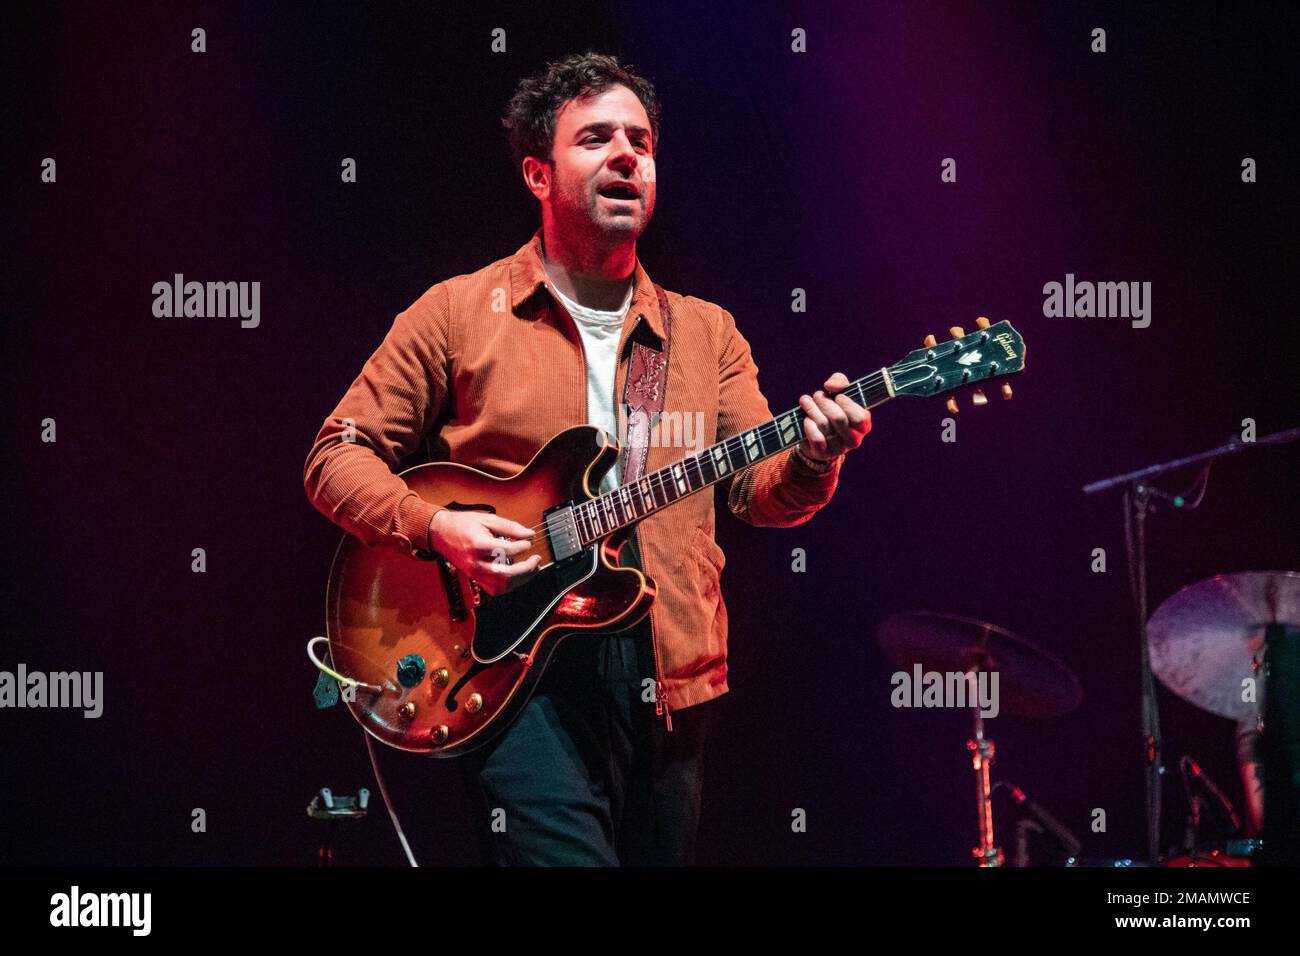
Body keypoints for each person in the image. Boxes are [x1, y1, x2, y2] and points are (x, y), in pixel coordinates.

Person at [303, 51, 871, 866]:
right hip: (515, 675)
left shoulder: (704, 334)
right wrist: (436, 527)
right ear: (539, 174)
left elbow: (757, 494)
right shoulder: (459, 313)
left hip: (671, 682)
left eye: (640, 140)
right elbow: (337, 456)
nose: (626, 155)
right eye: (596, 138)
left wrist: (816, 457)